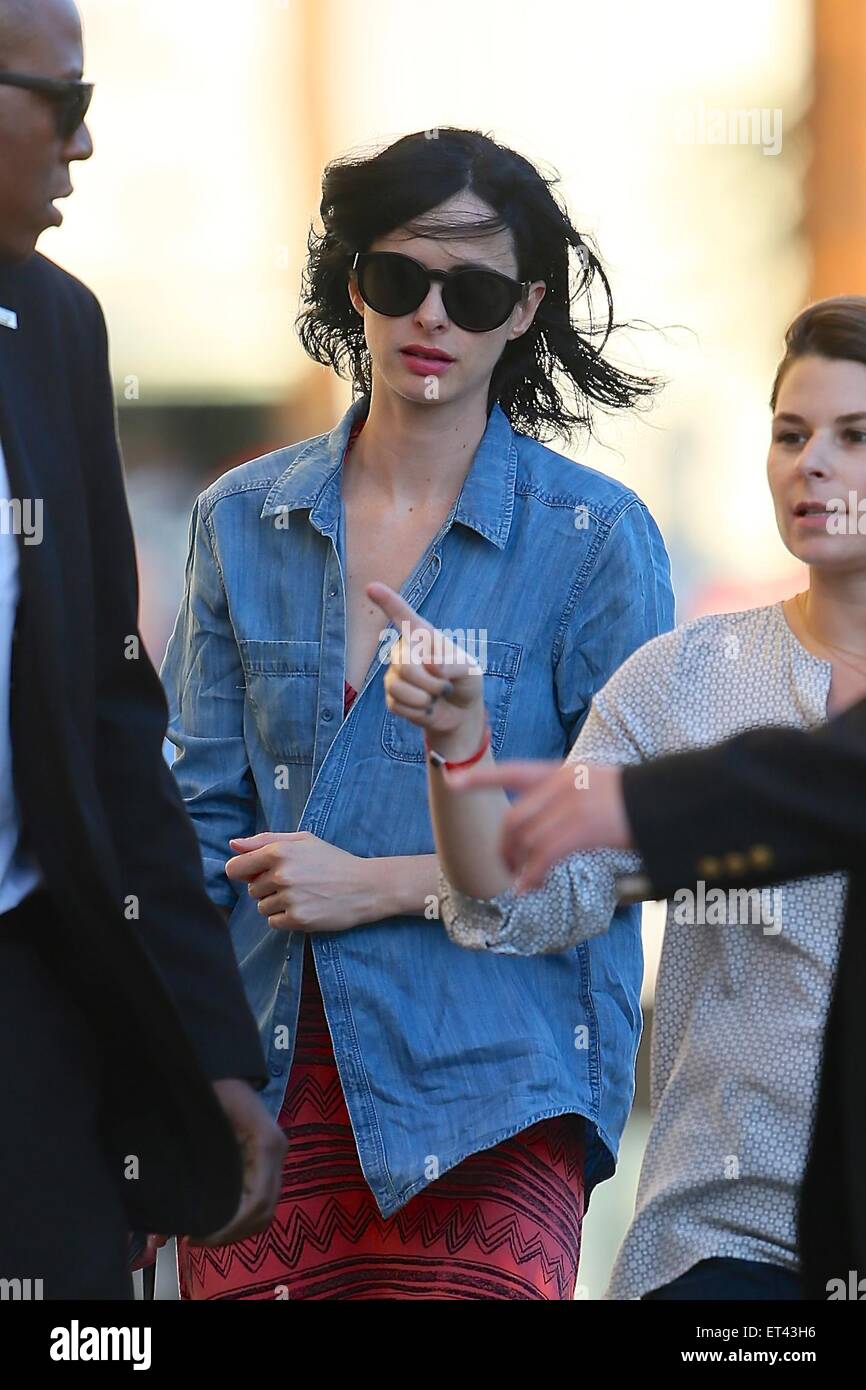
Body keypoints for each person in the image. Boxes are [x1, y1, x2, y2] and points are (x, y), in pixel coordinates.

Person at [161, 126, 674, 1300]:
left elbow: (627, 839)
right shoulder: (240, 518)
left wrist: (377, 881)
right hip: (266, 1081)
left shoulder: (594, 539)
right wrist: (172, 1075)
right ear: (356, 286)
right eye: (398, 279)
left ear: (524, 308)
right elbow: (192, 827)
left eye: (474, 289)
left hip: (495, 1084)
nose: (430, 316)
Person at [382, 295, 866, 1299]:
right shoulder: (682, 677)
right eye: (789, 434)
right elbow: (515, 900)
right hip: (733, 1238)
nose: (809, 463)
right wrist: (458, 751)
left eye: (853, 437)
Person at [0, 0, 285, 1299]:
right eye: (64, 102)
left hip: (33, 1007)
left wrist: (206, 1045)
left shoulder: (54, 330)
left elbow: (115, 718)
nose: (85, 146)